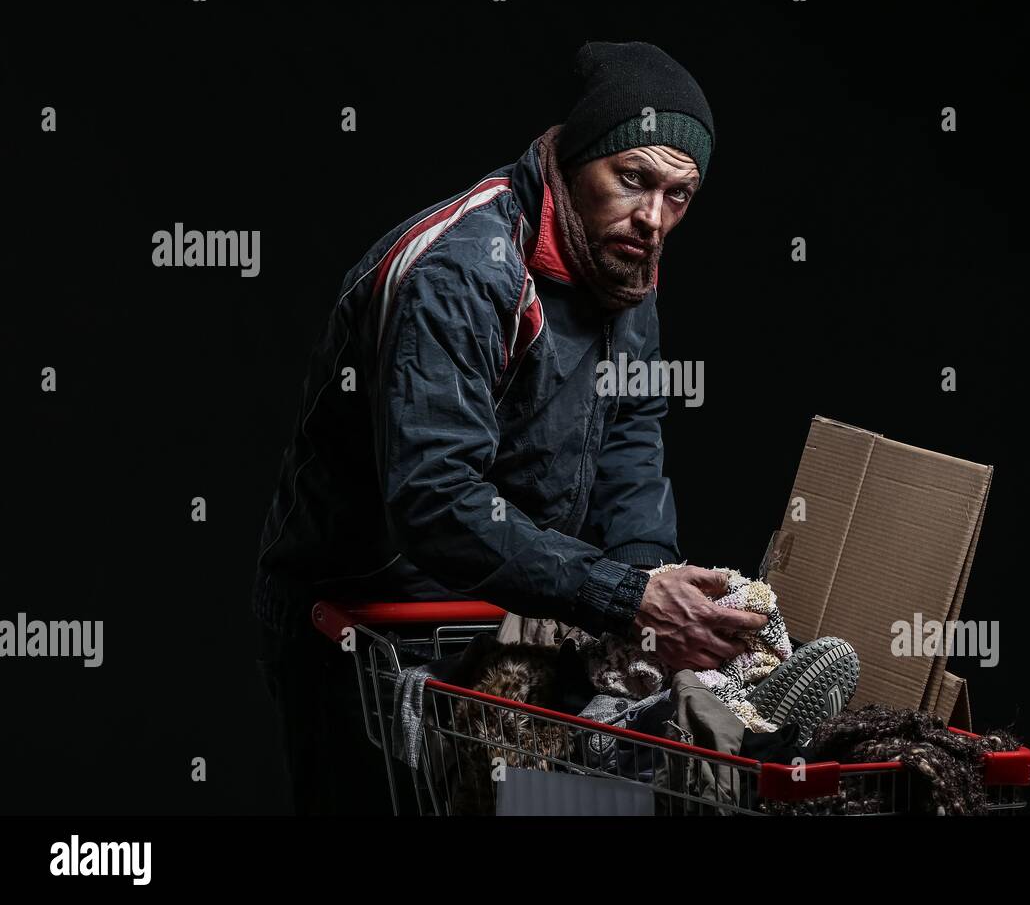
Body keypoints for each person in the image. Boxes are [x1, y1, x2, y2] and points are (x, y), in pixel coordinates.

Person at [251, 40, 766, 813]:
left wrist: (649, 609)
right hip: (368, 625)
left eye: (680, 195)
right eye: (633, 180)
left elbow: (630, 439)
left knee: (558, 800)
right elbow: (435, 497)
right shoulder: (461, 271)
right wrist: (626, 595)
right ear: (572, 157)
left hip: (519, 611)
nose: (654, 219)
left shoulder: (624, 266)